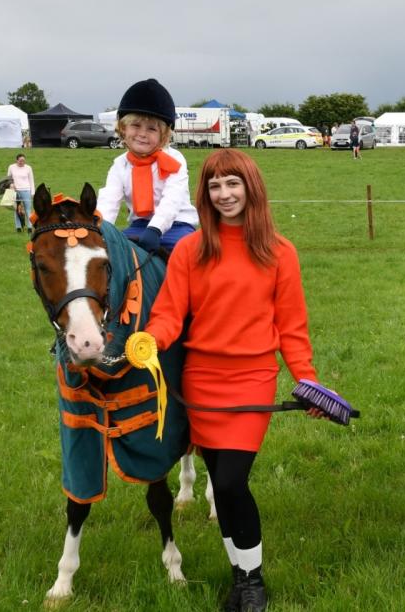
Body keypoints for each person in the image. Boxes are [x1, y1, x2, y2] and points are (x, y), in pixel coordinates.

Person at [142, 149, 327, 611]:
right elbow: (168, 314)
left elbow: (293, 330)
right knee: (219, 481)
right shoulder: (190, 249)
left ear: (251, 188)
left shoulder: (280, 253)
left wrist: (308, 382)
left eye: (233, 184)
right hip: (201, 381)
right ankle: (240, 575)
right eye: (214, 186)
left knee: (228, 483)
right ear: (204, 194)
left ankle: (254, 581)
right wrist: (148, 341)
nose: (224, 194)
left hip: (252, 380)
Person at [96, 78, 197, 254]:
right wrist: (99, 229)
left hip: (176, 225)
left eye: (151, 129)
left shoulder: (174, 159)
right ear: (123, 128)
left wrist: (156, 229)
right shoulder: (120, 165)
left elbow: (171, 200)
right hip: (139, 225)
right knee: (110, 255)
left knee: (188, 253)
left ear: (163, 135)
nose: (142, 134)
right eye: (136, 125)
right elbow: (109, 201)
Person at [7, 153, 34, 232]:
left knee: (28, 209)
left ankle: (29, 227)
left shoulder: (28, 168)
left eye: (23, 161)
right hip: (15, 191)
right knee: (17, 210)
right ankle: (18, 227)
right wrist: (11, 185)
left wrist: (32, 192)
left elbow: (31, 180)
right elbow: (8, 179)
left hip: (26, 190)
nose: (22, 162)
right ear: (17, 160)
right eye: (20, 161)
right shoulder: (11, 167)